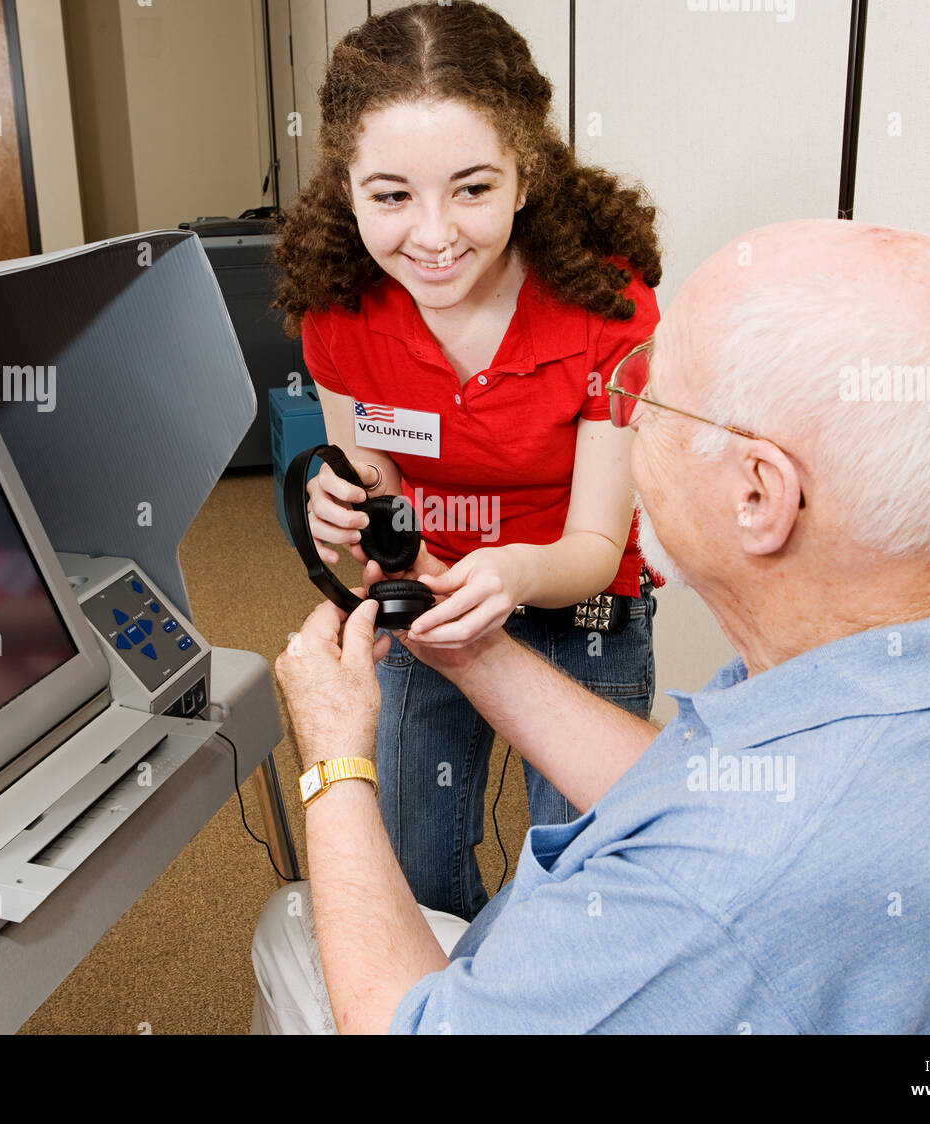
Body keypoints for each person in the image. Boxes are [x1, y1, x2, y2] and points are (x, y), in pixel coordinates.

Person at [252, 218, 930, 1034]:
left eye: (651, 393)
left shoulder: (714, 894)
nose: (626, 412)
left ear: (759, 495)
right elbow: (698, 790)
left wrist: (333, 758)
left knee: (288, 925)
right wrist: (479, 657)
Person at [273, 0, 663, 921]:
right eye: (392, 195)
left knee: (589, 887)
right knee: (407, 876)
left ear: (526, 174)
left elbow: (598, 545)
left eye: (473, 188)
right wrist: (349, 508)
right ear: (349, 190)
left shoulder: (606, 301)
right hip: (429, 595)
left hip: (583, 599)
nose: (435, 235)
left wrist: (515, 573)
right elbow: (386, 496)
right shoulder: (339, 305)